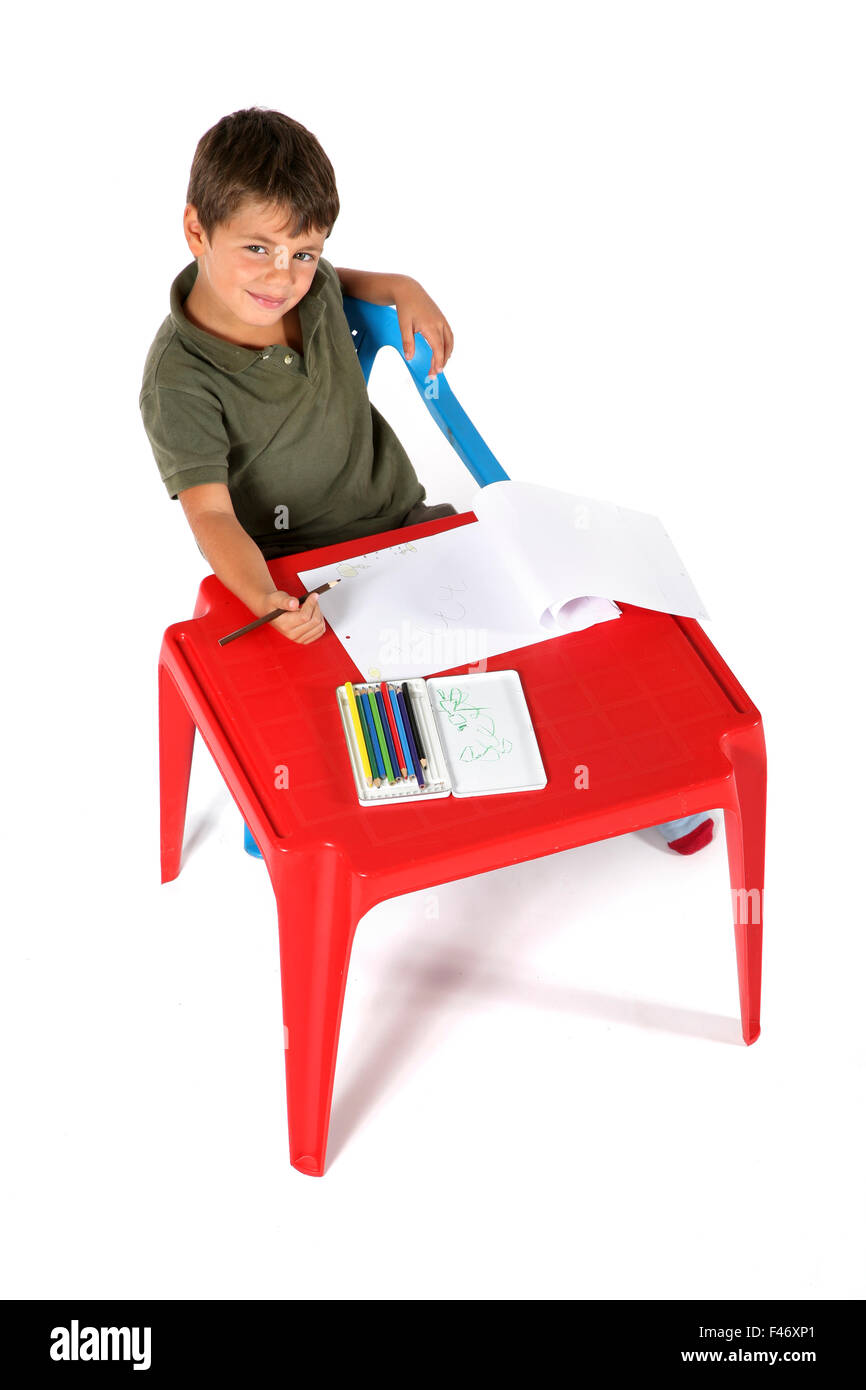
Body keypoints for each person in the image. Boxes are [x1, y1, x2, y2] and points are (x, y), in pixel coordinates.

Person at [140, 106, 712, 856]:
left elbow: (343, 284)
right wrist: (266, 597)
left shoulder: (308, 288)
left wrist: (401, 284)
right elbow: (211, 515)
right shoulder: (179, 381)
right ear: (196, 231)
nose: (282, 276)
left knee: (550, 629)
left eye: (304, 252)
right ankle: (317, 817)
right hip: (302, 576)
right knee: (394, 710)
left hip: (406, 527)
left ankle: (631, 785)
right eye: (257, 248)